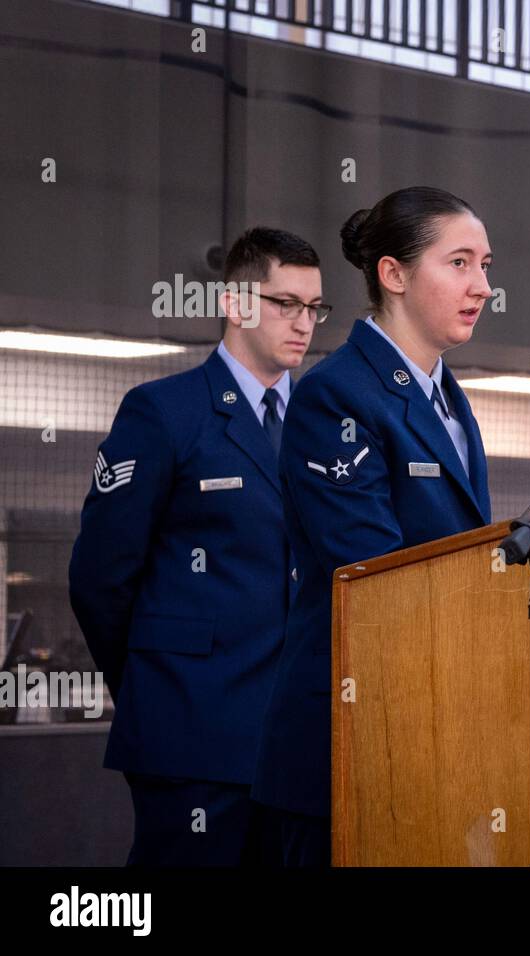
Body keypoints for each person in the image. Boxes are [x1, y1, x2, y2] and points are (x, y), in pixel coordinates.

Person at [68, 227, 328, 865]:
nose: (305, 323)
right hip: (191, 736)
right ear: (237, 304)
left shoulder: (325, 424)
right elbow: (101, 578)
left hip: (297, 745)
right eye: (284, 303)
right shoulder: (165, 412)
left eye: (315, 307)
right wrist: (160, 686)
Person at [252, 187, 493, 866]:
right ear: (393, 274)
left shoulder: (446, 393)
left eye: (486, 266)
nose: (481, 286)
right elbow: (375, 579)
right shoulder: (338, 395)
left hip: (428, 733)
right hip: (349, 744)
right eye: (460, 263)